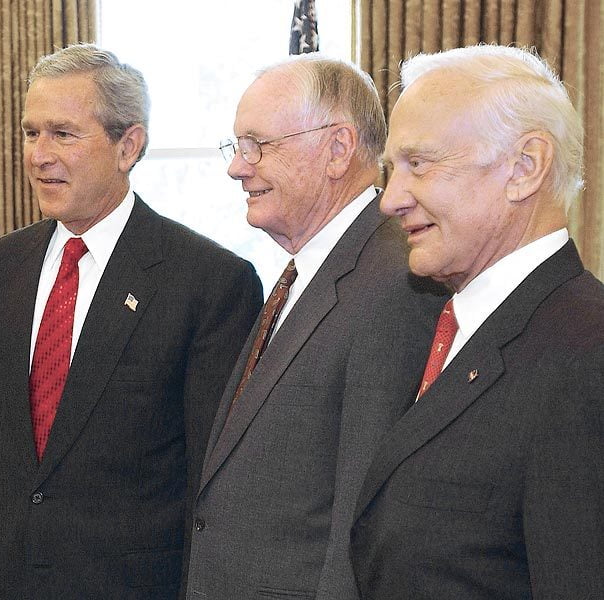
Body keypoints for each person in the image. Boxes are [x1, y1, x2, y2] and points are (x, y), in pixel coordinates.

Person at [0, 44, 262, 599]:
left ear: (128, 145)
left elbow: (212, 486)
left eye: (63, 134)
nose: (38, 155)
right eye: (31, 133)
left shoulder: (209, 281)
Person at [185, 55, 445, 600]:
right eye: (238, 147)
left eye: (259, 145)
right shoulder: (307, 271)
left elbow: (364, 516)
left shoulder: (395, 280)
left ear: (337, 149)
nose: (238, 167)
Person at [350, 45, 604, 600]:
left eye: (420, 164)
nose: (390, 199)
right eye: (394, 170)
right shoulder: (450, 328)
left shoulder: (587, 354)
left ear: (525, 168)